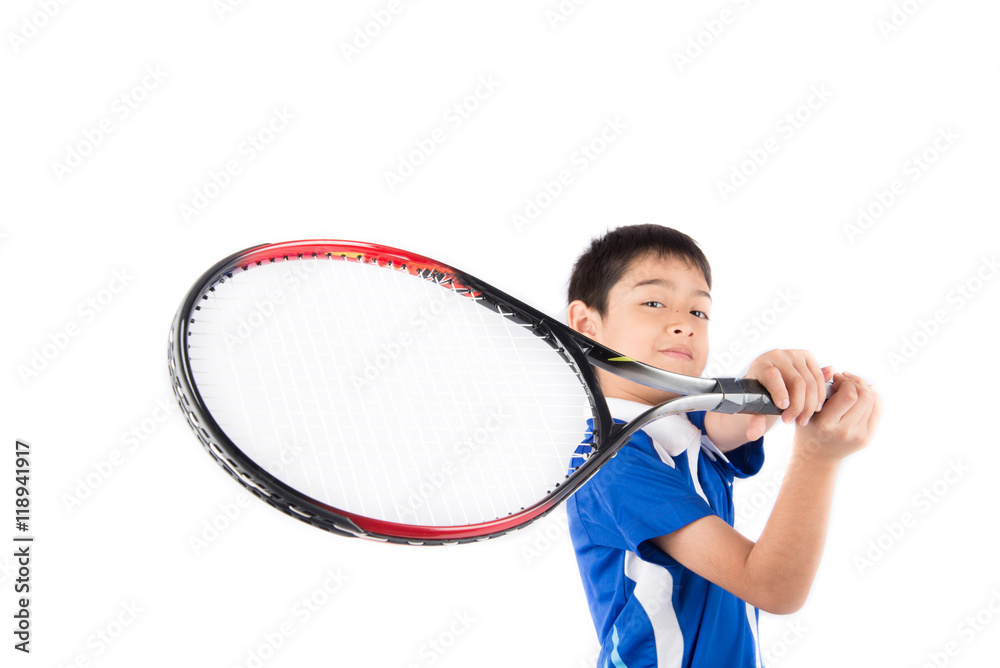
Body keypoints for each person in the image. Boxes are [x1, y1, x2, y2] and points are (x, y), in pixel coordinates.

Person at [564, 224, 881, 667]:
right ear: (585, 324)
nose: (684, 325)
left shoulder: (676, 419)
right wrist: (819, 457)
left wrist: (771, 375)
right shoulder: (613, 462)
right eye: (653, 302)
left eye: (699, 312)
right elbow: (772, 587)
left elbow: (740, 422)